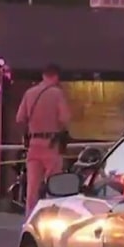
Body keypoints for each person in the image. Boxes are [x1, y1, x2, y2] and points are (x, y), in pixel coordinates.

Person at [15, 63, 72, 214]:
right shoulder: (57, 93)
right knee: (54, 184)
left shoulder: (30, 93)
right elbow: (65, 118)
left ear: (43, 75)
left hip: (34, 144)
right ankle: (51, 215)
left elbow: (20, 118)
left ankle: (30, 217)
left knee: (32, 187)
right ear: (56, 77)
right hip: (51, 144)